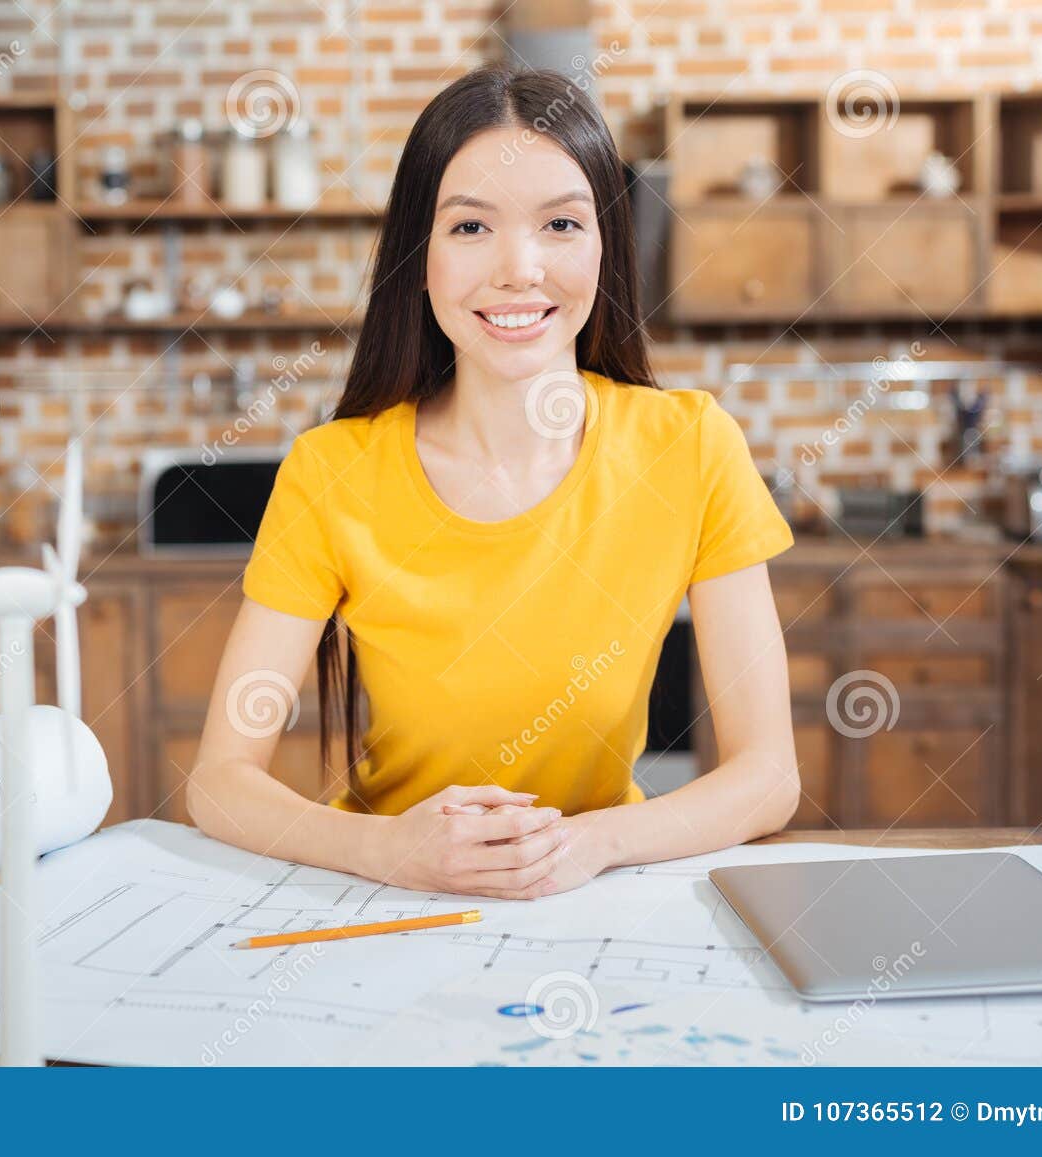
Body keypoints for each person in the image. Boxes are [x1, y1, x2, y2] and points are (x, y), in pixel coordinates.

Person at [187, 63, 798, 900]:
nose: (519, 269)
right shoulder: (332, 471)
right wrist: (385, 851)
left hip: (596, 891)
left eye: (560, 224)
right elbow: (219, 779)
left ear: (605, 245)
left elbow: (769, 776)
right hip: (385, 900)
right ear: (420, 255)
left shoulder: (689, 447)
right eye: (471, 228)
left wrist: (589, 844)